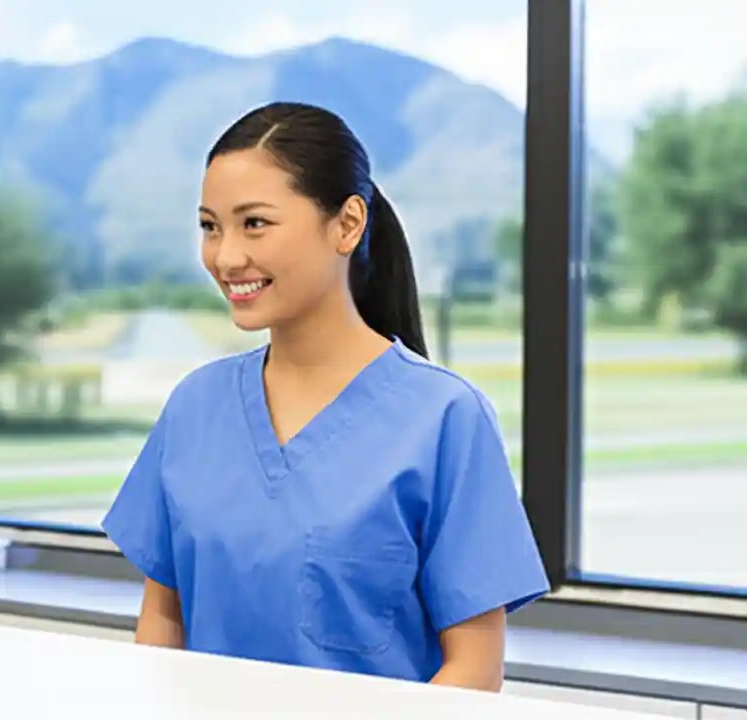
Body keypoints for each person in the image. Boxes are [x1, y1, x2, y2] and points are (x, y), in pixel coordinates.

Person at [102, 102, 549, 690]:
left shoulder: (444, 418)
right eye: (210, 226)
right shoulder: (195, 408)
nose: (226, 256)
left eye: (254, 223)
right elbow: (163, 619)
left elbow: (473, 668)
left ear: (347, 224)